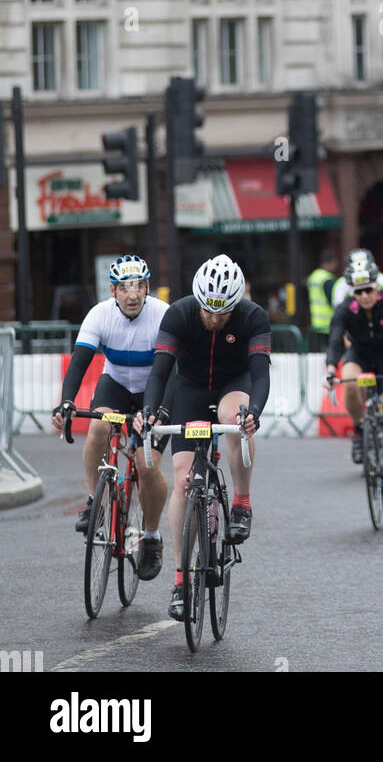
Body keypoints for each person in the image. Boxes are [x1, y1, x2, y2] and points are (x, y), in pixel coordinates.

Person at [136, 254, 270, 623]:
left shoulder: (252, 316)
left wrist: (253, 412)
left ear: (235, 304)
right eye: (207, 312)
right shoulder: (179, 314)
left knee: (234, 418)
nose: (213, 319)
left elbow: (259, 374)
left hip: (233, 386)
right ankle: (180, 579)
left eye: (221, 313)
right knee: (181, 479)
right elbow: (160, 373)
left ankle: (241, 502)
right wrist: (150, 410)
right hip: (190, 390)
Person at [51, 255, 170, 581]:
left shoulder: (162, 315)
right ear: (112, 290)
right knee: (100, 426)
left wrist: (157, 412)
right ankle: (95, 502)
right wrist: (66, 402)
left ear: (147, 288)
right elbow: (79, 363)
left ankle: (151, 537)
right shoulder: (99, 315)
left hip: (154, 390)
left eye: (138, 287)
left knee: (147, 467)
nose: (132, 295)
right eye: (124, 288)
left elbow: (174, 370)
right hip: (115, 384)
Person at [324, 249, 383, 507]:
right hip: (360, 352)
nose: (364, 296)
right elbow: (334, 340)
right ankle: (360, 429)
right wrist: (330, 368)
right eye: (358, 291)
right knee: (349, 383)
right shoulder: (345, 308)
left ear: (376, 286)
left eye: (368, 290)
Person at [306, 249, 339, 353]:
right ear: (331, 262)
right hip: (329, 324)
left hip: (317, 322)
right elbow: (333, 301)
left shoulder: (314, 276)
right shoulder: (327, 279)